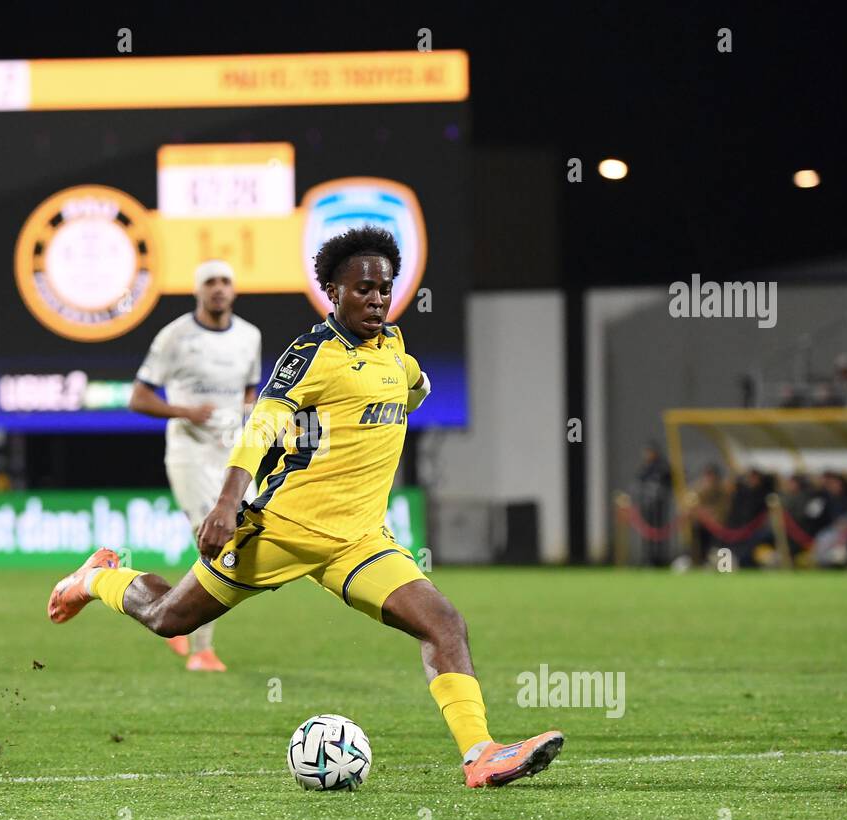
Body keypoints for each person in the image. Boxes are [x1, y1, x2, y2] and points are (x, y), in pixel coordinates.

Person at [47, 226, 563, 788]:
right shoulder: (311, 353)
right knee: (169, 616)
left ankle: (480, 755)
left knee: (443, 622)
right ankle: (97, 579)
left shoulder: (395, 350)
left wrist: (409, 394)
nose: (376, 299)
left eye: (384, 289)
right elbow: (262, 425)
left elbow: (414, 386)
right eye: (363, 288)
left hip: (361, 541)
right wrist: (225, 504)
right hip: (281, 528)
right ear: (333, 291)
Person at [128, 260, 262, 672]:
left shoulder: (249, 336)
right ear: (197, 291)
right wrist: (185, 410)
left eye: (225, 281)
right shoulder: (175, 336)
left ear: (234, 290)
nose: (218, 289)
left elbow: (250, 391)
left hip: (232, 453)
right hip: (188, 451)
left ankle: (173, 610)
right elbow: (139, 397)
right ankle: (202, 649)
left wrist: (250, 415)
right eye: (210, 282)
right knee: (213, 538)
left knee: (247, 538)